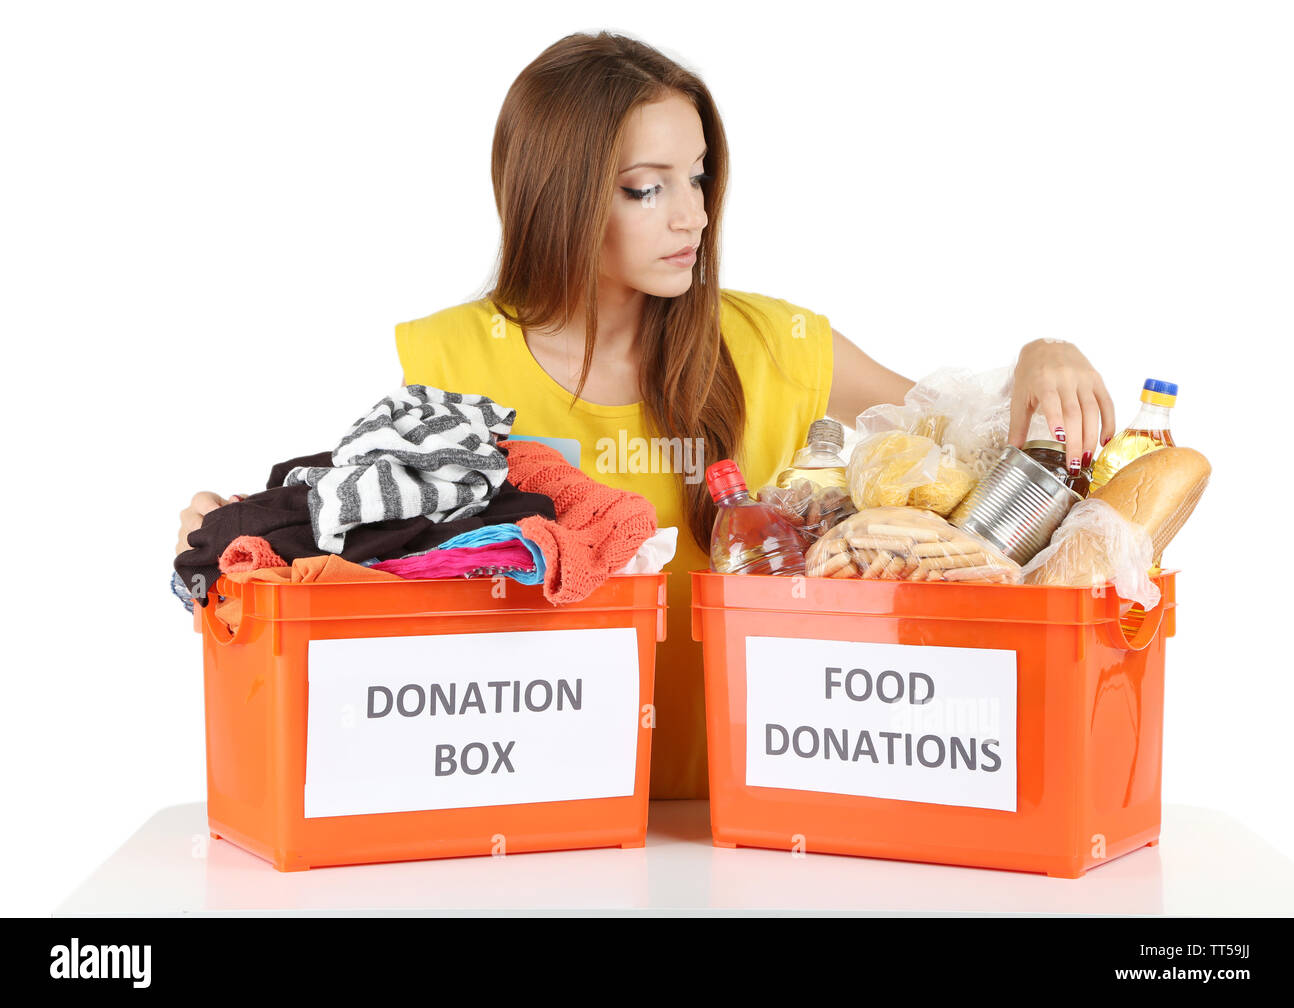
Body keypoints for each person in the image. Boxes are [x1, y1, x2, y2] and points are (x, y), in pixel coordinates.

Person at [176, 31, 1116, 799]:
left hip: (765, 796)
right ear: (557, 192)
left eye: (699, 177)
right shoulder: (446, 360)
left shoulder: (776, 344)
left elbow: (972, 446)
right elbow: (381, 551)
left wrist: (1040, 357)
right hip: (536, 802)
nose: (693, 216)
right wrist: (242, 533)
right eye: (646, 187)